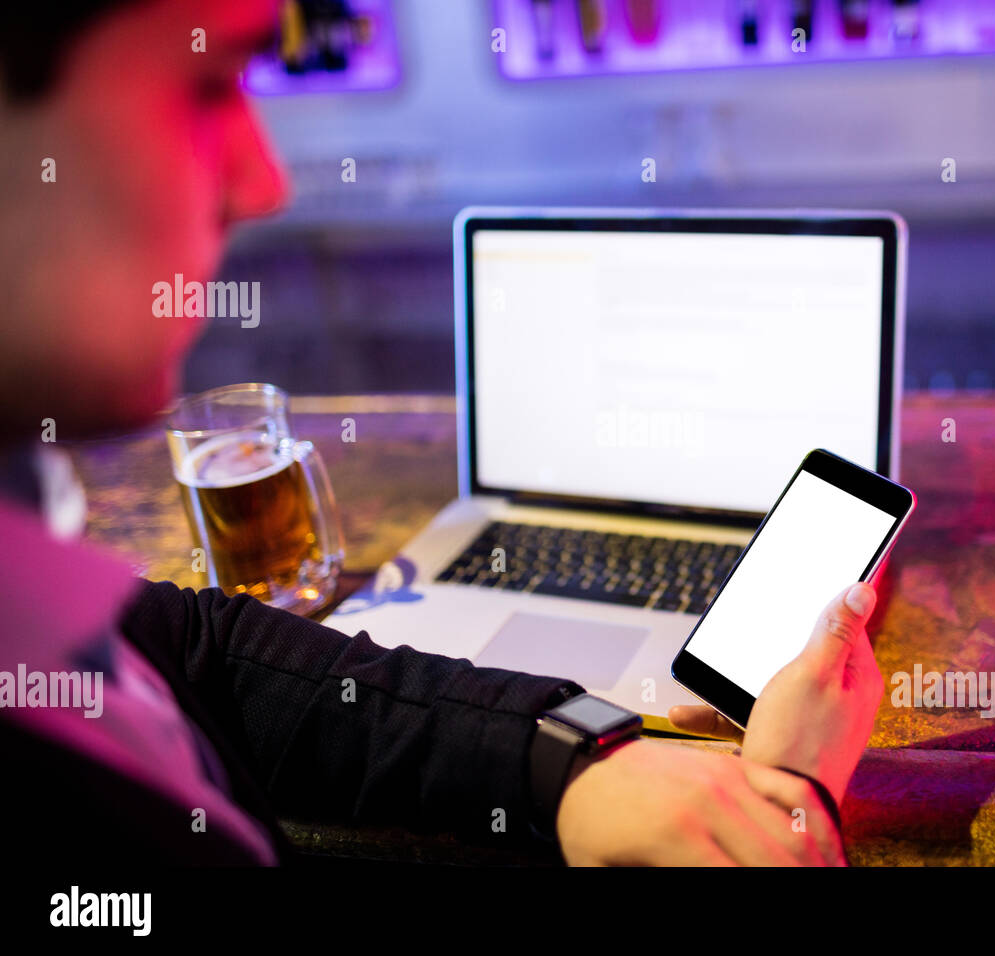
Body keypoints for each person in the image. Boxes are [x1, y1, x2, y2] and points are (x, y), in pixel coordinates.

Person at [0, 0, 886, 866]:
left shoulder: (44, 592)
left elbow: (207, 658)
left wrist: (575, 760)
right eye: (209, 85)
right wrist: (787, 801)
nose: (266, 182)